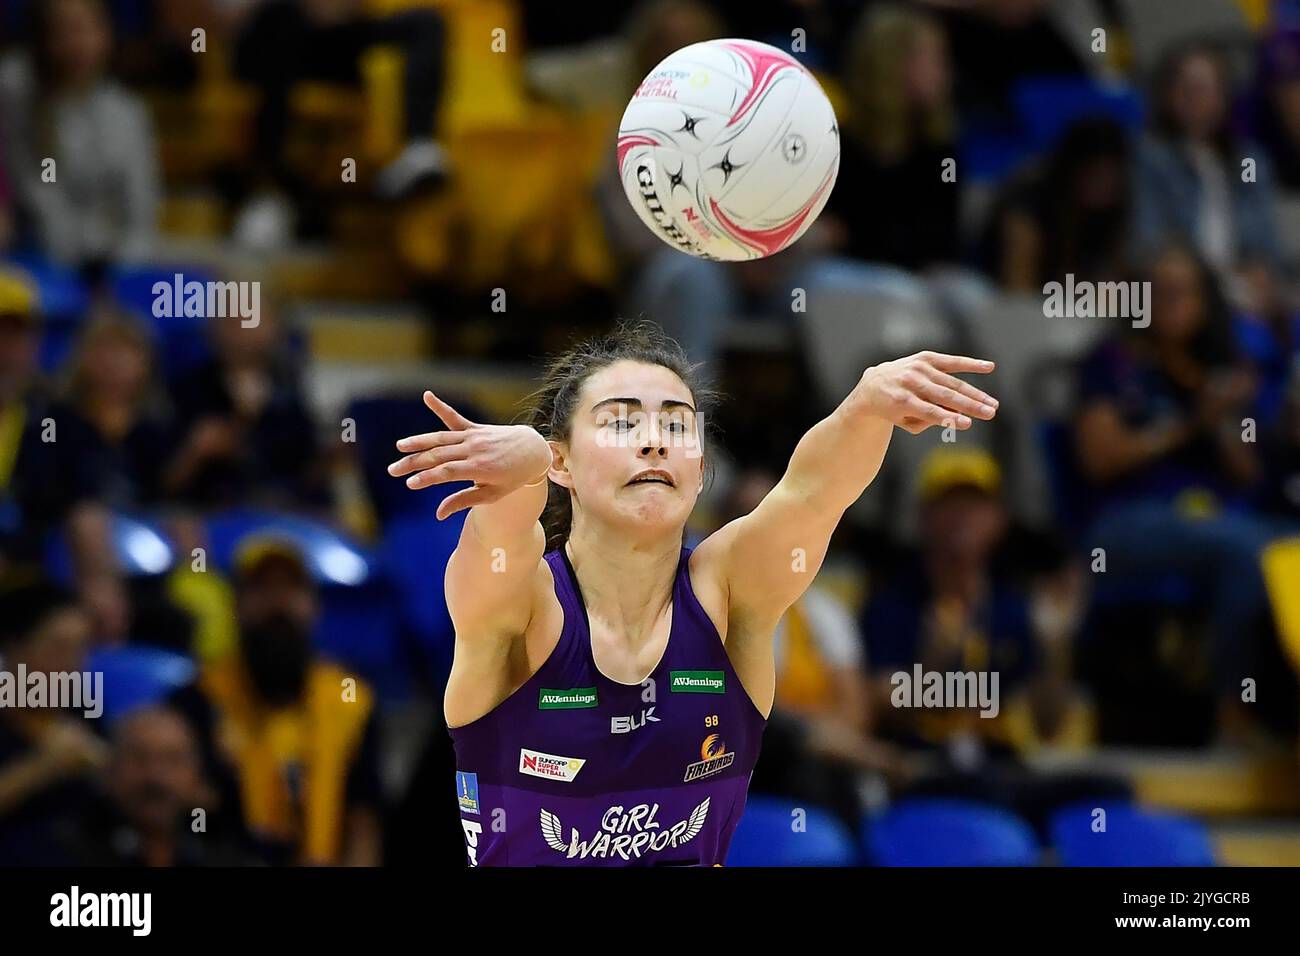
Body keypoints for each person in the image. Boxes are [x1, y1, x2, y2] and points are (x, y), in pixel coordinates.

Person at [386, 320, 999, 865]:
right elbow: (501, 533)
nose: (653, 441)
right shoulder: (526, 606)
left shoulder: (725, 593)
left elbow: (812, 493)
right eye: (621, 421)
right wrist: (520, 462)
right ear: (562, 464)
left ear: (701, 468)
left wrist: (868, 407)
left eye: (676, 425)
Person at [168, 535, 383, 865]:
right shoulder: (199, 698)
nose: (278, 604)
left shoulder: (351, 700)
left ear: (314, 606)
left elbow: (364, 818)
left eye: (291, 590)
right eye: (262, 590)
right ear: (236, 605)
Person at [0, 0, 161, 271]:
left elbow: (141, 211)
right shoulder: (19, 94)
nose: (77, 44)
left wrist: (123, 269)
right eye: (63, 32)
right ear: (43, 39)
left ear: (106, 34)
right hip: (42, 260)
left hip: (116, 263)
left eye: (86, 29)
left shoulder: (128, 111)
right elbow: (39, 193)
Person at [64, 705, 257, 866]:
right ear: (110, 769)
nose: (155, 776)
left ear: (197, 775)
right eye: (139, 758)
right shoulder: (66, 850)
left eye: (172, 760)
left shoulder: (220, 855)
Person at [0, 581, 106, 864]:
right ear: (13, 649)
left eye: (80, 649)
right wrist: (44, 766)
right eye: (58, 647)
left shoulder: (84, 710)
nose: (71, 664)